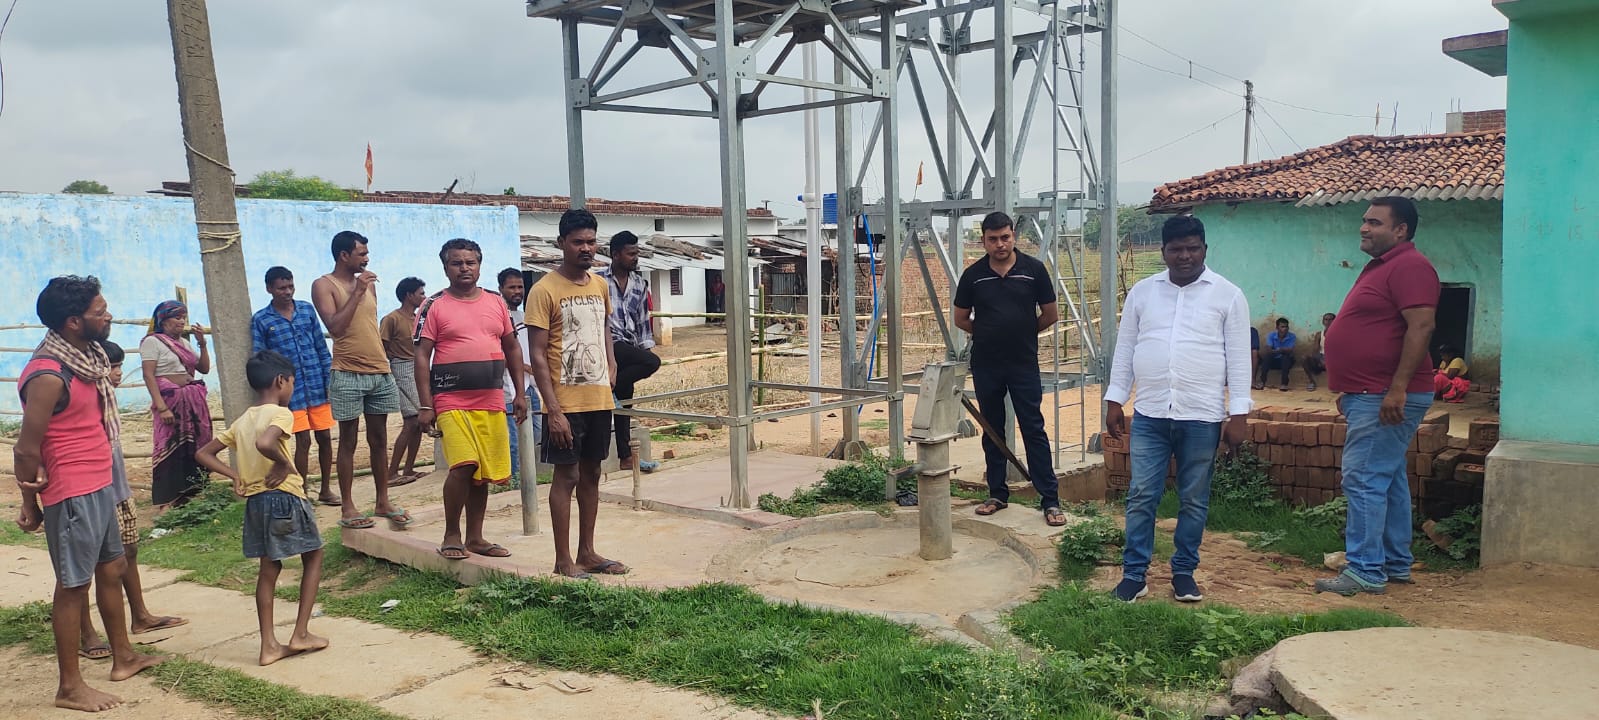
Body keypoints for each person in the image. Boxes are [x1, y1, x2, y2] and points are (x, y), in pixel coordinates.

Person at [15, 276, 164, 712]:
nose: (109, 316)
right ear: (74, 322)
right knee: (73, 586)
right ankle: (69, 687)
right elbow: (26, 448)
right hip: (71, 491)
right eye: (100, 312)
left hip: (100, 483)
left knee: (113, 566)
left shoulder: (89, 359)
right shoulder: (49, 375)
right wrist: (30, 504)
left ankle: (124, 657)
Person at [1104, 215, 1252, 603]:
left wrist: (1239, 414)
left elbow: (1239, 358)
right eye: (1176, 249)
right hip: (1150, 414)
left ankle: (1184, 573)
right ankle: (1134, 575)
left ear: (1204, 249)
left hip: (1202, 416)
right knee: (1141, 495)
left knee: (1194, 498)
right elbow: (1126, 348)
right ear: (1163, 251)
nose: (1185, 256)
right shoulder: (1143, 293)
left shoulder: (1228, 295)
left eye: (1192, 248)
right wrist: (1115, 398)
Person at [1316, 196, 1438, 597]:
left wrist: (1396, 388)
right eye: (1364, 220)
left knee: (1364, 478)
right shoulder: (1384, 266)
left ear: (1401, 230)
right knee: (1387, 478)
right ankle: (1394, 562)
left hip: (1386, 392)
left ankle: (1366, 569)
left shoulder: (1410, 266)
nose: (1364, 228)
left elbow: (1421, 326)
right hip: (1370, 392)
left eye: (1374, 222)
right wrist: (1352, 387)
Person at [195, 350, 330, 666]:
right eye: (292, 382)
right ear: (281, 381)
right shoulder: (281, 414)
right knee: (314, 555)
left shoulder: (243, 419)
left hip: (257, 502)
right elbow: (266, 443)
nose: (292, 388)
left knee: (269, 569)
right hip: (285, 496)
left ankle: (269, 645)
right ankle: (300, 633)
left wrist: (235, 475)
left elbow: (203, 454)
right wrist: (283, 463)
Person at [528, 208, 628, 578]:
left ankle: (587, 552)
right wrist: (553, 410)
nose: (585, 248)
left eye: (590, 241)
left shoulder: (599, 285)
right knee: (566, 476)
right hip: (564, 404)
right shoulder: (544, 290)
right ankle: (563, 560)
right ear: (561, 244)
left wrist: (612, 362)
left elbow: (604, 329)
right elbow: (537, 354)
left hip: (598, 398)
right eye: (577, 242)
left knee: (592, 474)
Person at [415, 239, 528, 560]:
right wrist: (425, 404)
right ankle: (452, 534)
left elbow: (512, 348)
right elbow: (421, 356)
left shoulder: (496, 302)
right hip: (450, 400)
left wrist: (520, 393)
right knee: (463, 465)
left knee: (482, 474)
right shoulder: (433, 305)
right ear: (445, 268)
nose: (464, 268)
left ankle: (475, 537)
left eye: (470, 262)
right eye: (456, 263)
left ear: (479, 266)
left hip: (491, 398)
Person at [76, 340, 187, 663]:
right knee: (85, 567)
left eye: (119, 366)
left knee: (128, 551)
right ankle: (87, 632)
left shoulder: (108, 403)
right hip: (92, 493)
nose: (117, 373)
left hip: (118, 491)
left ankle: (140, 615)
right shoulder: (80, 401)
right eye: (111, 367)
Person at [952, 211, 1065, 527]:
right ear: (983, 241)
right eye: (993, 239)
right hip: (986, 364)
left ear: (1014, 236)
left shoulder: (1034, 270)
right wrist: (988, 333)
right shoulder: (974, 276)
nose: (1000, 244)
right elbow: (961, 318)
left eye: (1005, 237)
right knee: (992, 429)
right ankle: (997, 494)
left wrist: (1023, 332)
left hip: (1023, 363)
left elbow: (1050, 314)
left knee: (1033, 428)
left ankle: (1050, 500)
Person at [310, 230, 410, 531]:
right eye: (361, 254)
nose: (367, 259)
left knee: (379, 440)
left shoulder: (369, 286)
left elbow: (368, 325)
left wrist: (363, 289)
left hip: (379, 371)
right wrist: (357, 292)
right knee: (349, 441)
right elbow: (336, 328)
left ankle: (383, 501)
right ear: (344, 255)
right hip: (347, 372)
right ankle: (348, 506)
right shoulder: (323, 285)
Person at [251, 266, 339, 506]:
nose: (287, 291)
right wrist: (271, 392)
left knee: (324, 436)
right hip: (290, 392)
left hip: (317, 385)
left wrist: (329, 379)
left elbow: (321, 347)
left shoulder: (307, 310)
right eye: (282, 288)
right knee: (303, 440)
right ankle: (302, 490)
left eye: (290, 286)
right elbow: (260, 357)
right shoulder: (261, 319)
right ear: (269, 289)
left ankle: (326, 489)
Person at [598, 231, 662, 472]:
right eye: (630, 253)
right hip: (608, 343)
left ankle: (626, 457)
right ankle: (609, 389)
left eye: (637, 253)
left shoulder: (639, 284)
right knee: (652, 362)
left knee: (624, 403)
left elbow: (642, 320)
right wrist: (646, 359)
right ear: (616, 255)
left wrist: (644, 349)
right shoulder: (598, 280)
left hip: (628, 346)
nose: (635, 258)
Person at [139, 300, 213, 508]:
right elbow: (149, 375)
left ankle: (190, 496)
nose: (182, 322)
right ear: (163, 320)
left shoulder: (184, 343)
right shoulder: (152, 342)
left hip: (191, 403)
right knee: (170, 446)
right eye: (177, 317)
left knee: (193, 446)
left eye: (184, 318)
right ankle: (168, 500)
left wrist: (202, 343)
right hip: (170, 403)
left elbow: (204, 369)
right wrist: (161, 407)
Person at [496, 267, 543, 487]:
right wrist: (523, 366)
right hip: (509, 388)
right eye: (511, 287)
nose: (517, 291)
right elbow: (497, 355)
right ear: (501, 289)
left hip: (530, 386)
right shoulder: (498, 317)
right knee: (514, 440)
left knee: (536, 432)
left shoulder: (525, 317)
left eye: (520, 287)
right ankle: (514, 480)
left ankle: (527, 475)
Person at [381, 277, 427, 486]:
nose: (424, 296)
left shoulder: (418, 319)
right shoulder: (392, 319)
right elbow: (382, 345)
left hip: (417, 366)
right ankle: (392, 472)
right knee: (411, 420)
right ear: (409, 295)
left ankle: (408, 468)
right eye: (420, 293)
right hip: (401, 368)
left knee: (418, 422)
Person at [1257, 317, 1296, 391]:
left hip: (1286, 361)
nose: (1285, 329)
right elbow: (1268, 349)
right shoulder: (1271, 335)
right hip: (1274, 360)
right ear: (1277, 328)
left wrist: (1278, 350)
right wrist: (1281, 350)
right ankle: (1262, 382)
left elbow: (1290, 350)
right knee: (1267, 357)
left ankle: (1284, 384)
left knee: (1286, 357)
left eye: (1286, 327)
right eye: (1282, 327)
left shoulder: (1292, 336)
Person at [1303, 313, 1335, 391]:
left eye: (1330, 319)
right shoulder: (1319, 334)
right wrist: (1320, 359)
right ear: (1323, 322)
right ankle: (1311, 381)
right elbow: (1315, 350)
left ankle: (1336, 384)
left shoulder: (1340, 333)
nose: (1328, 322)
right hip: (1321, 358)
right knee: (1304, 358)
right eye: (1326, 319)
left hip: (1334, 359)